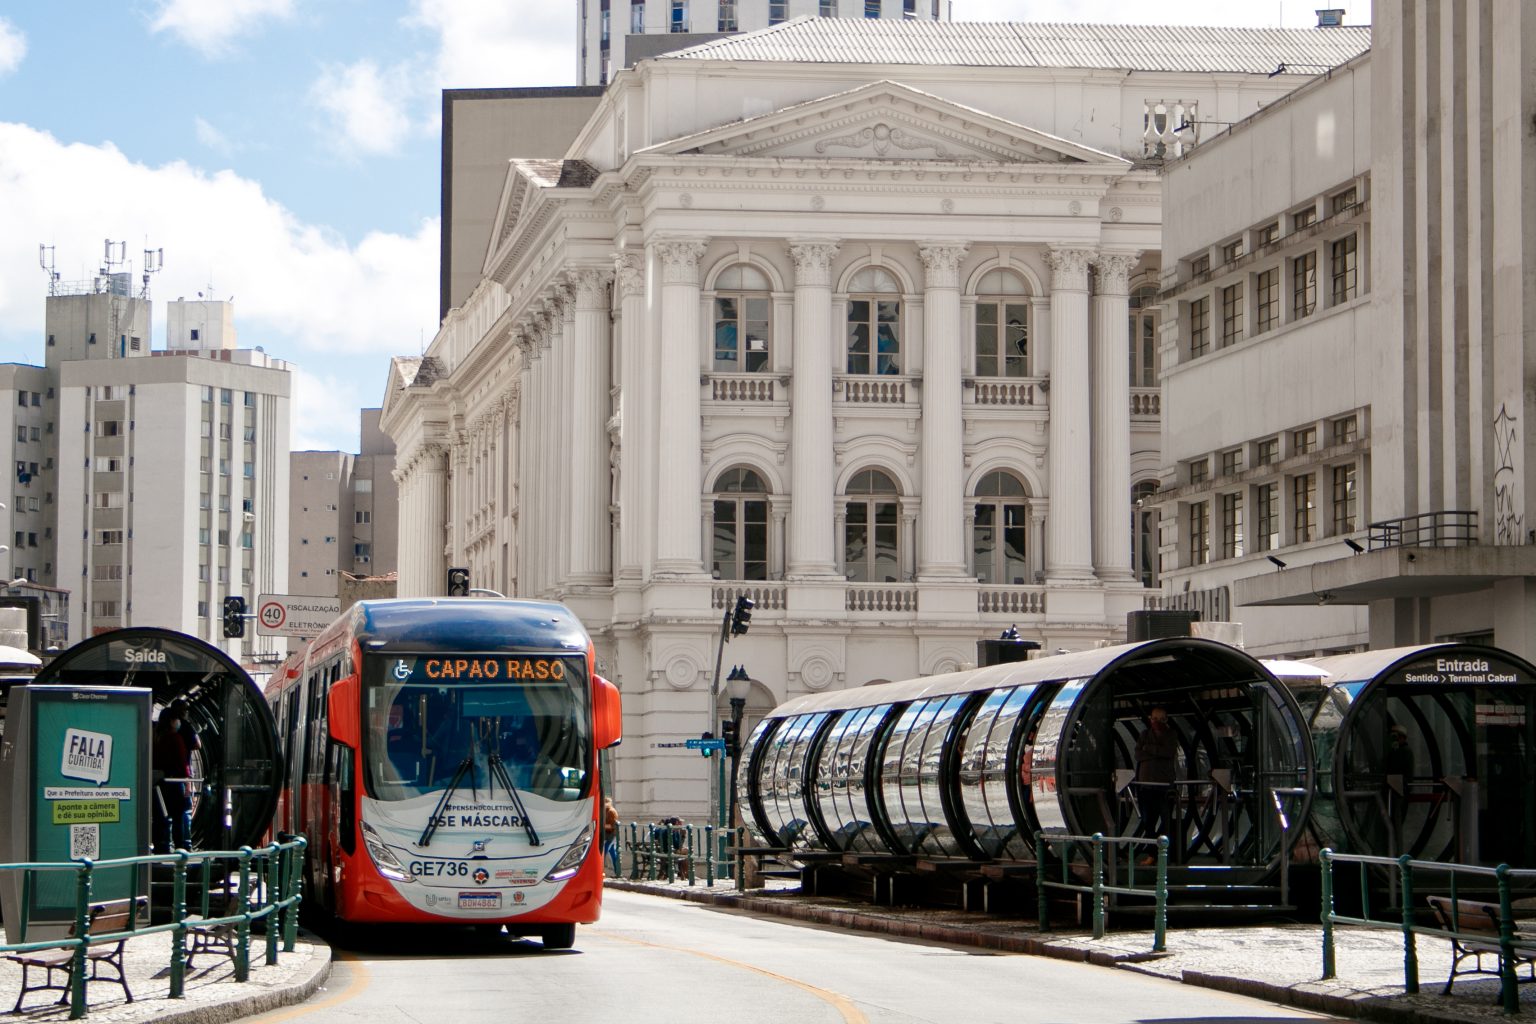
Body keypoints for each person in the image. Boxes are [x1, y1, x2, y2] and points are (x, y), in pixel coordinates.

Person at [1133, 707, 1179, 863]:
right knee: (1148, 823)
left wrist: (1148, 748)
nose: (1156, 722)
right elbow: (1138, 754)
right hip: (1146, 787)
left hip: (1164, 787)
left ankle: (1167, 855)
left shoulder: (1171, 735)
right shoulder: (1144, 734)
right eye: (1154, 718)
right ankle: (1152, 855)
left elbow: (1169, 752)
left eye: (1160, 719)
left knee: (1166, 822)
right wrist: (1157, 752)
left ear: (1166, 720)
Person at [152, 707, 192, 852]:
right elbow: (182, 763)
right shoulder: (175, 738)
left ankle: (160, 846)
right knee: (178, 817)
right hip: (174, 783)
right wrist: (188, 783)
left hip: (158, 783)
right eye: (176, 719)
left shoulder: (156, 737)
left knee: (159, 817)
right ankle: (180, 848)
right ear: (171, 721)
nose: (178, 722)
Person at [602, 797, 621, 875]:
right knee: (613, 854)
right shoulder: (606, 811)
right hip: (609, 835)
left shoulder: (611, 811)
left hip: (612, 835)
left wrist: (603, 826)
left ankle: (601, 871)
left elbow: (613, 825)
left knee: (605, 851)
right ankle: (617, 872)